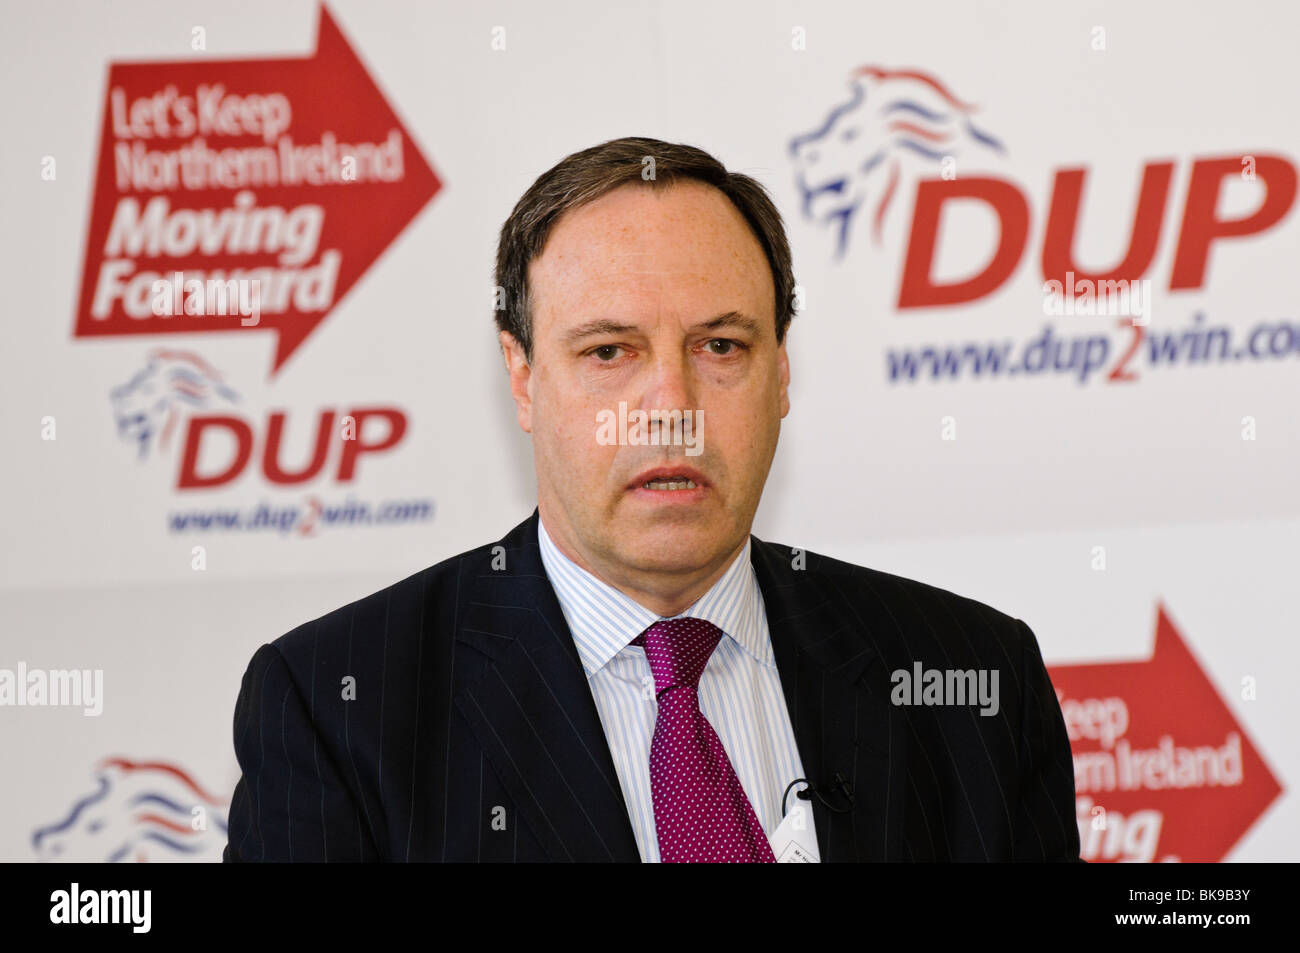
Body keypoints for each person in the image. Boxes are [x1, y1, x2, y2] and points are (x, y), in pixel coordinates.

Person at [223, 136, 1081, 862]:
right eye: (609, 352)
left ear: (781, 372)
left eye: (720, 344)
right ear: (522, 379)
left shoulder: (976, 681)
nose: (672, 409)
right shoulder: (340, 707)